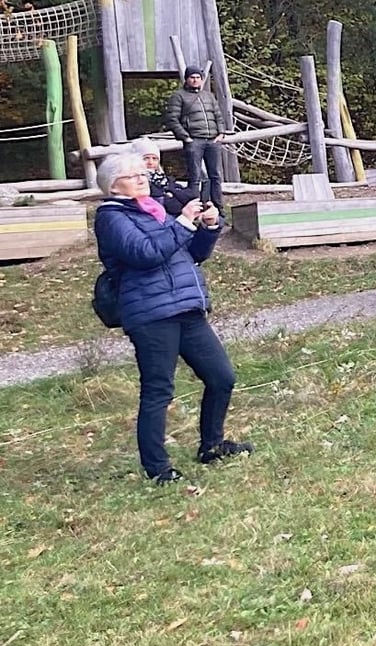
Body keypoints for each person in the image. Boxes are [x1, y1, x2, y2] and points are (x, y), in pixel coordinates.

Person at [93, 153, 252, 484]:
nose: (142, 179)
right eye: (133, 176)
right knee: (158, 391)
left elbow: (191, 254)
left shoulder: (153, 209)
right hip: (151, 316)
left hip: (186, 308)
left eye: (143, 174)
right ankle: (158, 469)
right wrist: (181, 222)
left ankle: (212, 446)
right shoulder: (111, 217)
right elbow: (146, 254)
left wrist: (208, 227)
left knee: (222, 378)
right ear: (113, 186)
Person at [163, 65, 230, 210]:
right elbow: (172, 119)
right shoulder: (179, 96)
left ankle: (218, 208)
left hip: (212, 140)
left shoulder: (208, 95)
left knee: (215, 176)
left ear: (202, 79)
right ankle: (195, 208)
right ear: (187, 79)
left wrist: (221, 132)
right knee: (195, 177)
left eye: (198, 77)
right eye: (192, 77)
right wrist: (186, 137)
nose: (195, 80)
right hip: (194, 140)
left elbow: (217, 115)